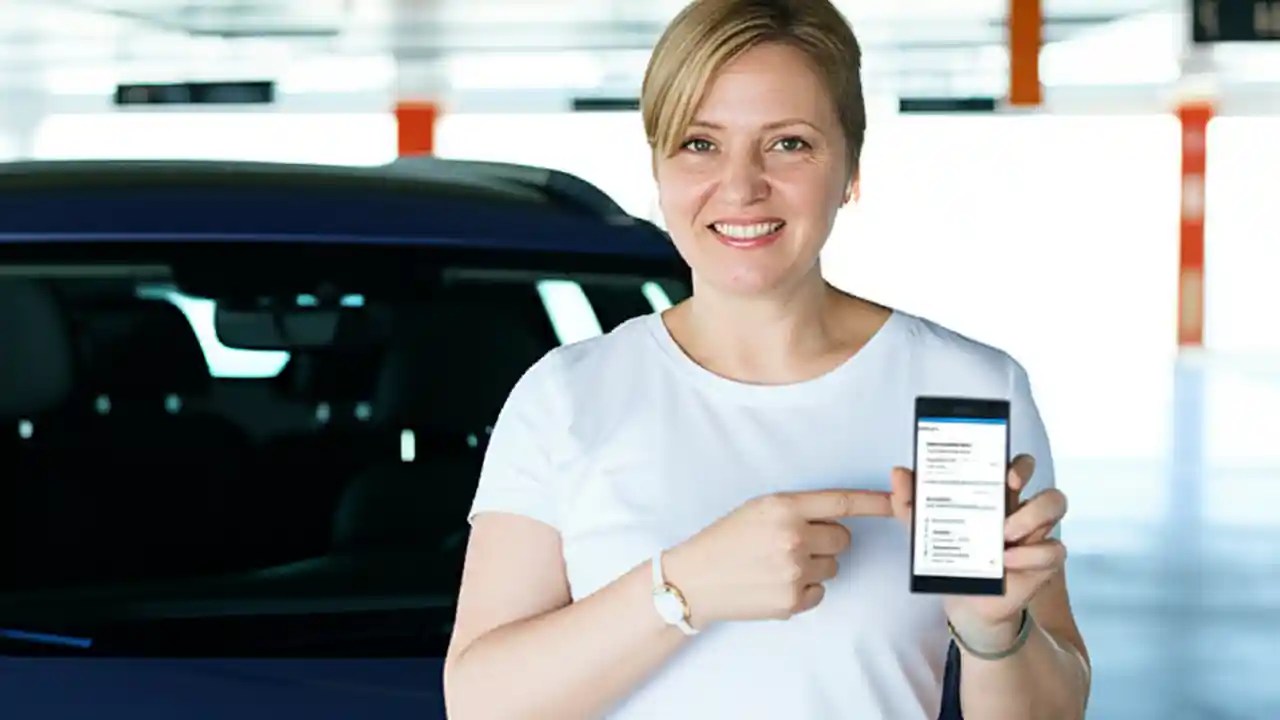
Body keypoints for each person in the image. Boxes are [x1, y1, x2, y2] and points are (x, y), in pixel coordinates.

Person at [442, 0, 1091, 717]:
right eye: (699, 143)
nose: (742, 185)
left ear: (850, 169)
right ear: (658, 169)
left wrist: (993, 629)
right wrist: (683, 588)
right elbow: (479, 703)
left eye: (788, 144)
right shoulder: (567, 397)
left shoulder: (964, 386)